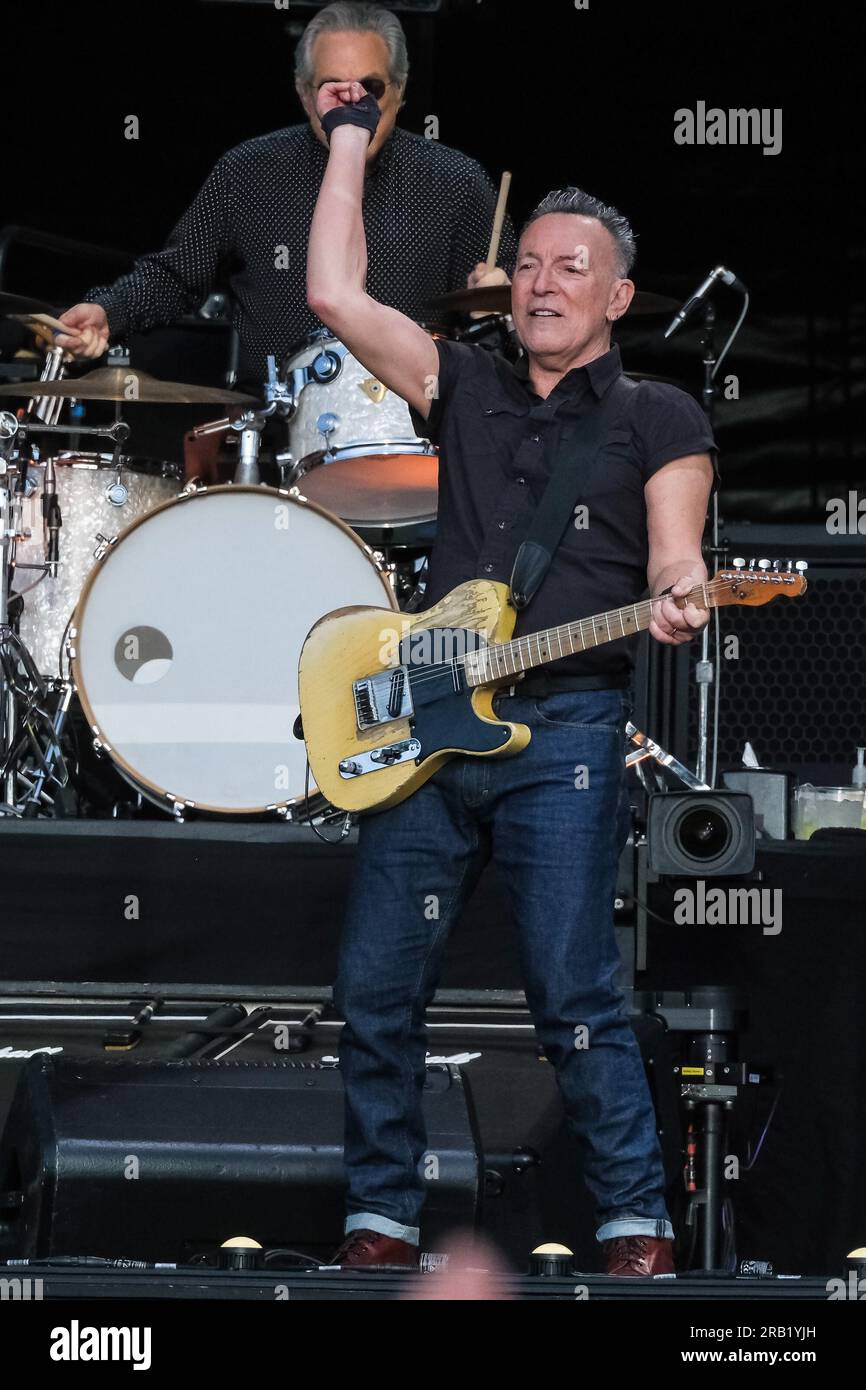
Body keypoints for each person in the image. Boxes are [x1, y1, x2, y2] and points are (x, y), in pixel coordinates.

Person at [306, 81, 717, 1277]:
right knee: (374, 984)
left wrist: (683, 590)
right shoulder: (461, 380)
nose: (541, 281)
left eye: (570, 266)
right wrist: (344, 139)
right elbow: (333, 290)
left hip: (566, 732)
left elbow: (676, 547)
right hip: (429, 725)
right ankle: (380, 1218)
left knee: (573, 990)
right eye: (528, 262)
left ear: (616, 296)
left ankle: (633, 1223)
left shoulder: (658, 412)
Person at [53, 2, 514, 388]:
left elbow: (511, 313)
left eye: (371, 88)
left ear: (401, 89)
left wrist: (506, 298)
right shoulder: (247, 171)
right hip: (279, 435)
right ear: (303, 92)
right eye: (333, 88)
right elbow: (174, 275)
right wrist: (107, 312)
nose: (353, 104)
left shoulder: (455, 181)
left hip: (415, 432)